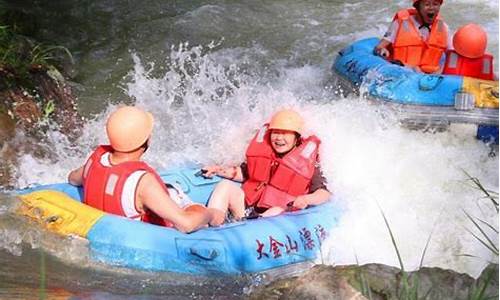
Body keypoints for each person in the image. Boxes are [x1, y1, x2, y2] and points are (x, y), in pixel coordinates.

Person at [68, 106, 215, 233]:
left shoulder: (95, 161)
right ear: (146, 140)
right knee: (194, 207)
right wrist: (208, 214)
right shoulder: (143, 182)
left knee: (171, 191)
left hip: (105, 227)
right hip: (146, 236)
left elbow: (72, 178)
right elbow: (186, 224)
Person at [202, 109, 331, 226]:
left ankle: (249, 228)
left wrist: (305, 199)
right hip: (248, 211)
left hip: (273, 217)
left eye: (285, 133)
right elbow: (245, 173)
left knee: (277, 210)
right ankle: (213, 222)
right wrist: (218, 170)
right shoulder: (266, 153)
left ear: (296, 138)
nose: (279, 138)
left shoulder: (308, 163)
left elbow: (324, 193)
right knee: (225, 186)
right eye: (275, 132)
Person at [374, 0, 451, 73]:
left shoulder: (444, 27)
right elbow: (379, 47)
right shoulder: (399, 23)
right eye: (427, 4)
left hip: (430, 76)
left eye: (435, 4)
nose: (431, 8)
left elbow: (451, 54)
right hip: (402, 71)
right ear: (417, 7)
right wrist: (382, 50)